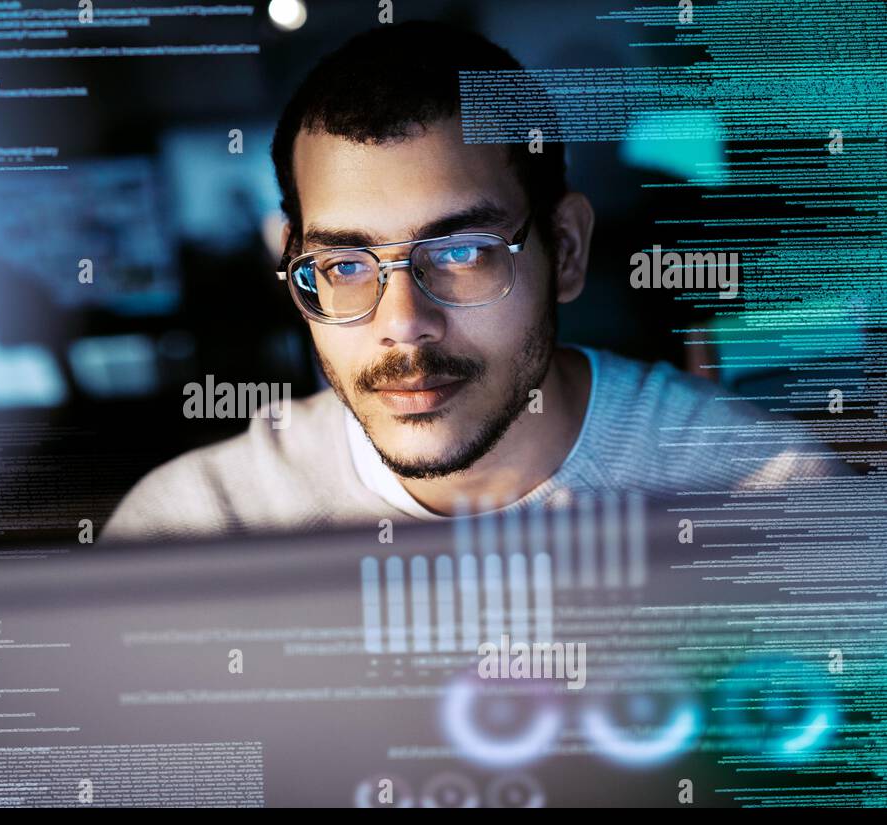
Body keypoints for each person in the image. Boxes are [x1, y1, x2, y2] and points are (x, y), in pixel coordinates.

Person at [105, 21, 841, 541]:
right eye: (345, 265)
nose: (403, 323)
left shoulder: (758, 491)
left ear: (566, 247)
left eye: (460, 253)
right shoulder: (198, 527)